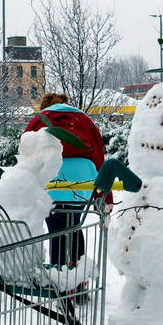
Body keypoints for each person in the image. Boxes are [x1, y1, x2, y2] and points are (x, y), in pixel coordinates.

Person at [24, 93, 107, 267]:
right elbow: (99, 155)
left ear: (44, 106)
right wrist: (104, 197)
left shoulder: (40, 119)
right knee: (74, 224)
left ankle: (61, 277)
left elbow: (26, 152)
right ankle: (79, 276)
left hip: (52, 177)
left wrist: (24, 188)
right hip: (83, 179)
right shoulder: (83, 118)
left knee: (56, 230)